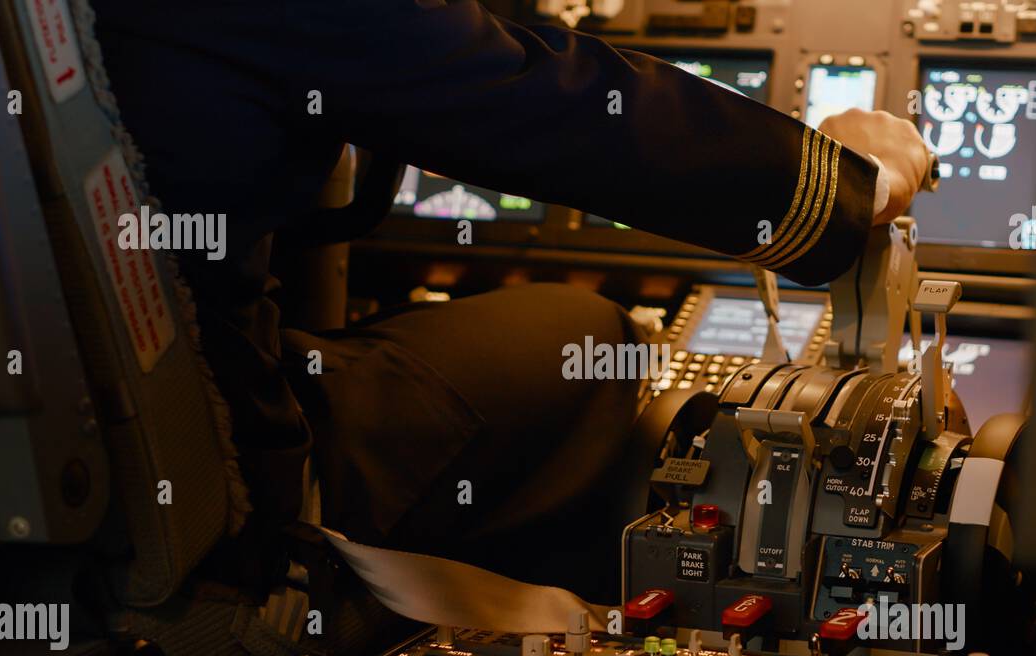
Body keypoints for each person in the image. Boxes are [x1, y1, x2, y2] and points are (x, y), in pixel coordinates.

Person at [89, 0, 931, 601]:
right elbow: (533, 102)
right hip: (208, 460)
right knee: (589, 335)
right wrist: (829, 180)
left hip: (73, 449)